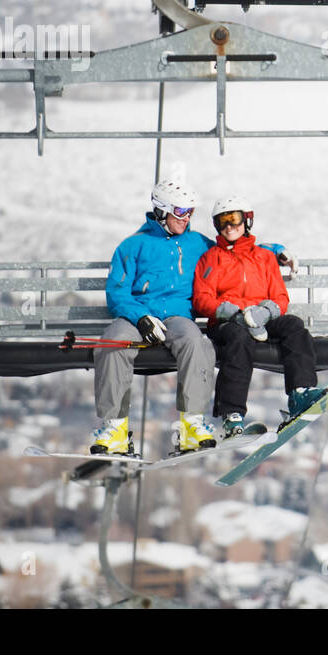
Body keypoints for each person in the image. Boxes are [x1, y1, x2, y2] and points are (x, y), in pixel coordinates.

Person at [91, 179, 218, 455]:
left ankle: (192, 424)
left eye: (190, 212)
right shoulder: (133, 246)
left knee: (195, 342)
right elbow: (117, 292)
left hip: (176, 316)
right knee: (112, 343)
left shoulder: (198, 243)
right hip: (138, 315)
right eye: (181, 212)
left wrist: (276, 252)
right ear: (162, 210)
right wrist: (141, 318)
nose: (187, 219)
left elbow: (236, 253)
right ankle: (115, 428)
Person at [192, 194, 324, 437]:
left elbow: (280, 297)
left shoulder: (263, 257)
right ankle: (232, 413)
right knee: (239, 338)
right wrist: (230, 311)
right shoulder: (212, 258)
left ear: (247, 221)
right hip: (226, 321)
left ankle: (300, 391)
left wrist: (266, 312)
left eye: (233, 219)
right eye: (222, 222)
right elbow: (202, 298)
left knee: (294, 326)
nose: (228, 227)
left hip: (260, 317)